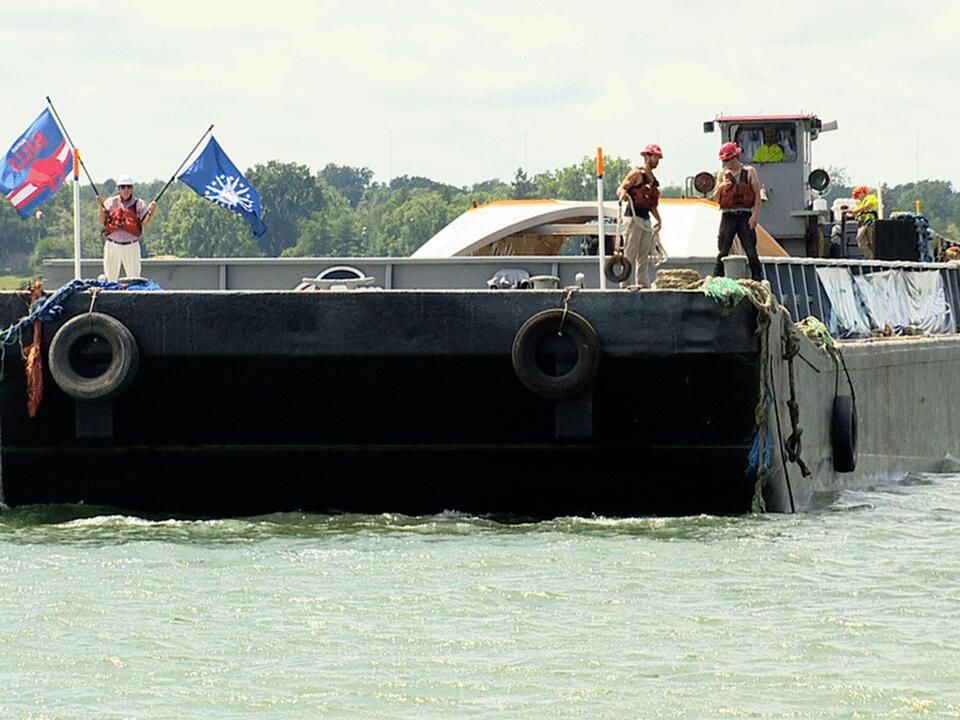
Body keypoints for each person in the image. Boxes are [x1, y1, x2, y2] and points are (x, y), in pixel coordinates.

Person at [712, 141, 763, 281]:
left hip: (744, 214)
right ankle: (717, 276)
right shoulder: (722, 174)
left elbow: (757, 195)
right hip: (728, 215)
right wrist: (721, 187)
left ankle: (757, 277)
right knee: (723, 250)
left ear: (736, 157)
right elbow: (715, 198)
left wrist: (755, 216)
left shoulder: (749, 172)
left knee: (751, 250)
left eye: (728, 159)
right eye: (724, 160)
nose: (726, 163)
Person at [615, 144, 663, 287]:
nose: (657, 161)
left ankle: (643, 283)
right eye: (655, 157)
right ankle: (625, 283)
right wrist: (623, 194)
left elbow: (652, 204)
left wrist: (659, 220)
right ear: (647, 157)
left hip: (645, 218)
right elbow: (622, 187)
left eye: (658, 158)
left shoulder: (652, 180)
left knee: (643, 254)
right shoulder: (636, 174)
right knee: (631, 252)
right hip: (633, 217)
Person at [96, 175, 157, 282]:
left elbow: (143, 223)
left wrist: (151, 211)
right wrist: (101, 207)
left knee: (134, 279)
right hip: (112, 245)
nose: (126, 190)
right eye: (123, 187)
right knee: (110, 279)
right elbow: (102, 220)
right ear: (119, 189)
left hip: (131, 245)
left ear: (132, 188)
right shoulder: (111, 202)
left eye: (129, 187)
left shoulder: (139, 204)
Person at [846, 185, 879, 259]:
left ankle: (872, 258)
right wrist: (848, 212)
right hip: (862, 224)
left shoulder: (871, 197)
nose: (858, 197)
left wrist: (854, 211)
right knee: (860, 241)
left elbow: (867, 206)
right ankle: (869, 257)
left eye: (858, 194)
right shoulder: (860, 203)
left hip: (870, 222)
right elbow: (854, 212)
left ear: (863, 192)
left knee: (871, 241)